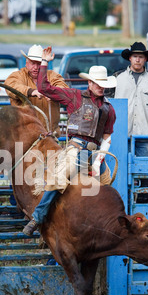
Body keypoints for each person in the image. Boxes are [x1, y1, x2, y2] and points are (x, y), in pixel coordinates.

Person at [23, 46, 117, 236]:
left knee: (107, 185)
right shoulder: (74, 96)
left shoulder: (109, 108)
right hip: (75, 147)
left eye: (103, 83)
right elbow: (44, 88)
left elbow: (107, 137)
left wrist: (98, 161)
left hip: (96, 152)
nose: (100, 86)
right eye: (97, 83)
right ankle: (38, 217)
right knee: (59, 177)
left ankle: (103, 226)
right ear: (89, 83)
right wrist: (44, 63)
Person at [106, 42, 148, 156]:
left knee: (145, 170)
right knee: (120, 171)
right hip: (121, 135)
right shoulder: (116, 78)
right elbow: (106, 105)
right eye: (135, 56)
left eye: (141, 57)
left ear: (145, 59)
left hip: (145, 134)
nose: (137, 60)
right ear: (130, 58)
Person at [4, 44, 69, 134]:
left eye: (39, 63)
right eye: (33, 63)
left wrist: (54, 93)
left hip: (49, 133)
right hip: (23, 133)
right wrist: (31, 91)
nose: (35, 67)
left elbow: (63, 88)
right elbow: (11, 86)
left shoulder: (53, 76)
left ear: (44, 64)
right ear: (27, 63)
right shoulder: (17, 75)